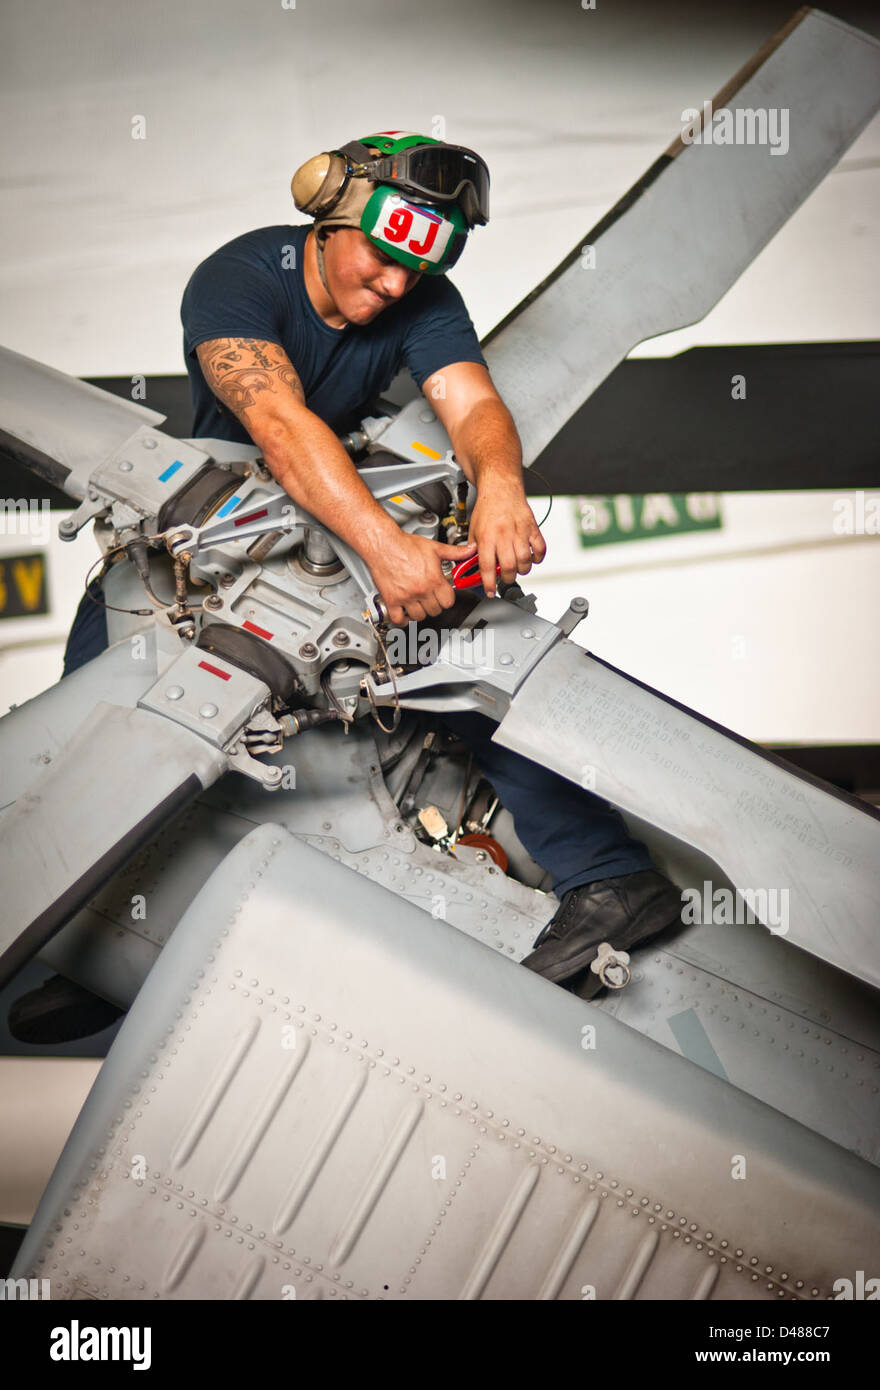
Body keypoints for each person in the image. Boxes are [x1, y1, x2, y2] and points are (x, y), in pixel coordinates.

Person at [34, 131, 681, 1044]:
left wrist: (499, 487)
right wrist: (382, 552)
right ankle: (111, 941)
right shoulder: (237, 279)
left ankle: (611, 876)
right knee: (97, 704)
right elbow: (280, 423)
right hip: (238, 511)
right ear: (327, 219)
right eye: (381, 258)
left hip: (364, 504)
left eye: (418, 269)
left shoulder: (425, 297)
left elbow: (475, 406)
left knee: (465, 670)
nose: (396, 287)